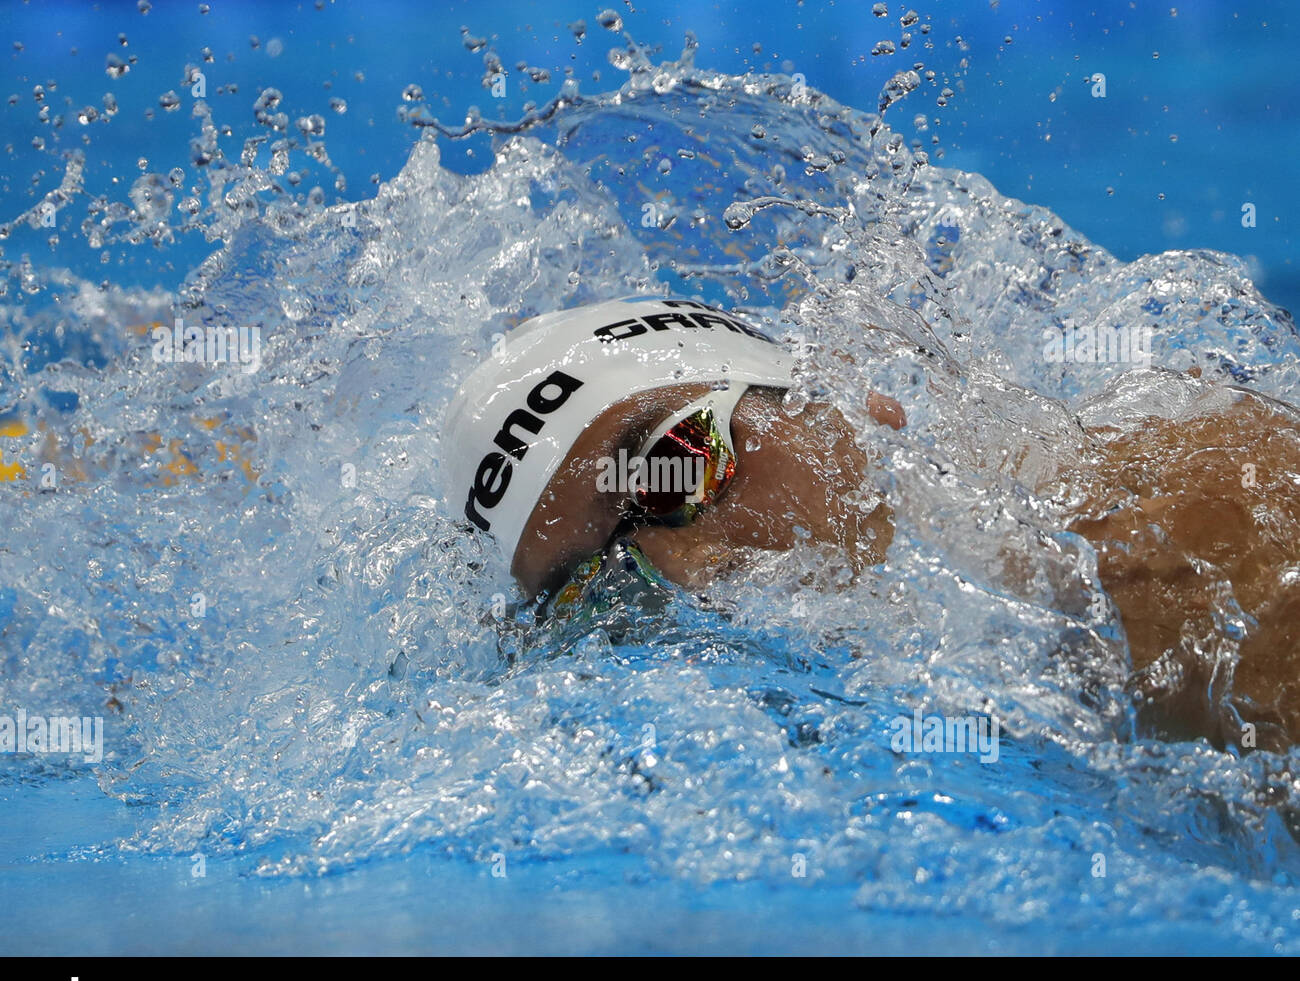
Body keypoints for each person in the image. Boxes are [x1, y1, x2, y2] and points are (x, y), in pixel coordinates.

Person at [444, 297, 1300, 749]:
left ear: (845, 402)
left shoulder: (1188, 542)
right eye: (606, 593)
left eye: (677, 466)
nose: (690, 572)